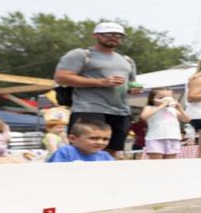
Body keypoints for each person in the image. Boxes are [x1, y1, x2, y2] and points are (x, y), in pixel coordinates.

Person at [54, 22, 143, 159]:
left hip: (121, 111)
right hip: (90, 108)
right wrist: (101, 82)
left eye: (119, 35)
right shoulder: (82, 54)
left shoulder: (127, 60)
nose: (113, 37)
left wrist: (134, 89)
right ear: (96, 35)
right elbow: (61, 77)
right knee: (83, 148)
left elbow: (131, 84)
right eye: (108, 34)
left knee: (113, 150)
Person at [141, 89, 191, 159]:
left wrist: (180, 108)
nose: (166, 99)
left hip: (173, 138)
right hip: (156, 138)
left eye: (169, 97)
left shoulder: (173, 110)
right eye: (161, 97)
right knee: (156, 162)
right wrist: (162, 105)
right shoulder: (150, 108)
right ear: (152, 99)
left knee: (170, 162)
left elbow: (187, 120)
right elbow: (144, 116)